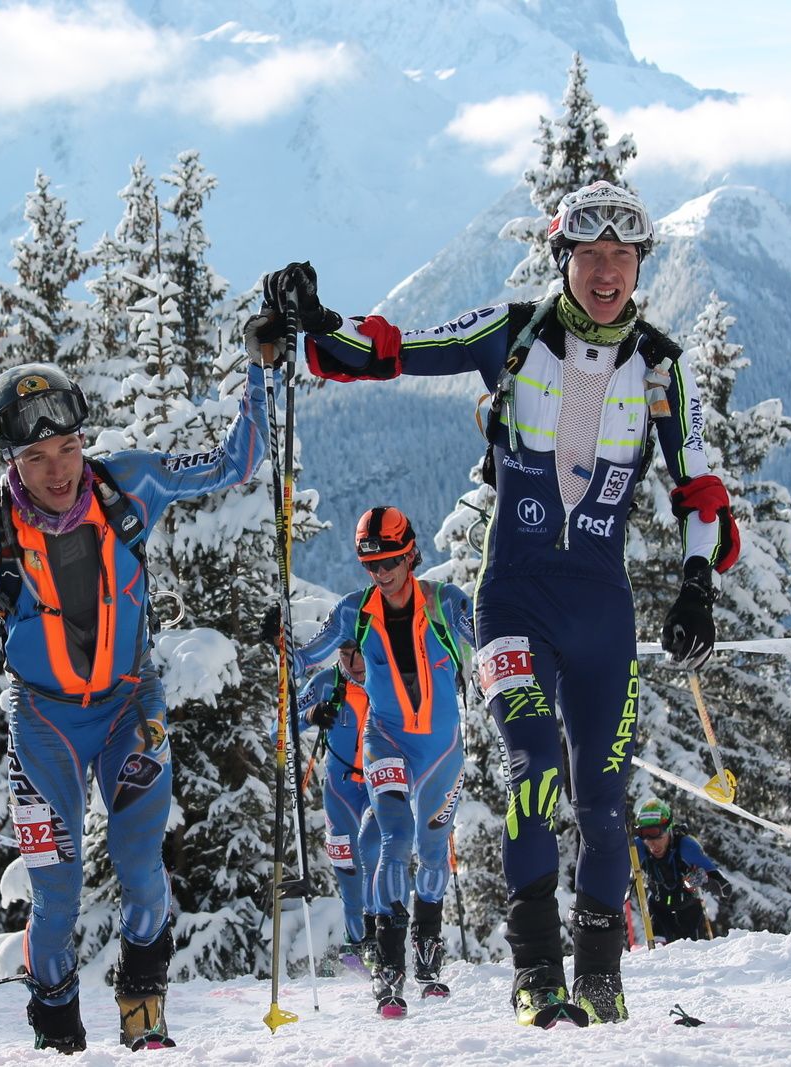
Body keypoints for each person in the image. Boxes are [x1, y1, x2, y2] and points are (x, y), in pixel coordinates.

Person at [263, 180, 741, 1027]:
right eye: (589, 255)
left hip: (603, 612)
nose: (605, 273)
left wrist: (698, 583)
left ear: (640, 265)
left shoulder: (663, 364)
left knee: (602, 797)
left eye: (622, 257)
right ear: (563, 258)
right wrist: (318, 321)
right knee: (534, 771)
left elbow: (700, 489)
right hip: (513, 602)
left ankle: (600, 972)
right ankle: (535, 972)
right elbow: (393, 349)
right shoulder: (512, 332)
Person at [0, 324, 275, 1053]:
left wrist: (258, 368)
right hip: (42, 723)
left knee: (142, 871)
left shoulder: (130, 481)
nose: (58, 470)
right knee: (56, 899)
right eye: (37, 455)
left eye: (69, 448)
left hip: (129, 708)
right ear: (11, 458)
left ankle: (143, 1018)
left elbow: (240, 461)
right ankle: (58, 1032)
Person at [292, 506, 474, 1017]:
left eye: (391, 560)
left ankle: (428, 952)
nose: (382, 573)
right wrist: (282, 643)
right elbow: (305, 657)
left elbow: (491, 635)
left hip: (441, 752)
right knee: (395, 835)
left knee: (433, 852)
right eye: (371, 565)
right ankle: (388, 969)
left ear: (411, 553)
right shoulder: (354, 612)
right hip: (386, 741)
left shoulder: (445, 603)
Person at [295, 643, 382, 975]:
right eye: (346, 653)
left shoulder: (386, 677)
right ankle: (357, 945)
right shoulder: (326, 683)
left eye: (361, 651)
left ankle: (377, 935)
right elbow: (280, 727)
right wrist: (310, 714)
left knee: (373, 849)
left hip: (380, 782)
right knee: (347, 869)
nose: (355, 662)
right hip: (340, 788)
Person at [633, 797, 734, 943]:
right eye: (644, 835)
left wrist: (704, 880)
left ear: (668, 829)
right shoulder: (638, 847)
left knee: (694, 957)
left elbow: (725, 888)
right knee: (660, 956)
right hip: (658, 911)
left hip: (689, 912)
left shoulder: (686, 846)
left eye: (656, 833)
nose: (652, 843)